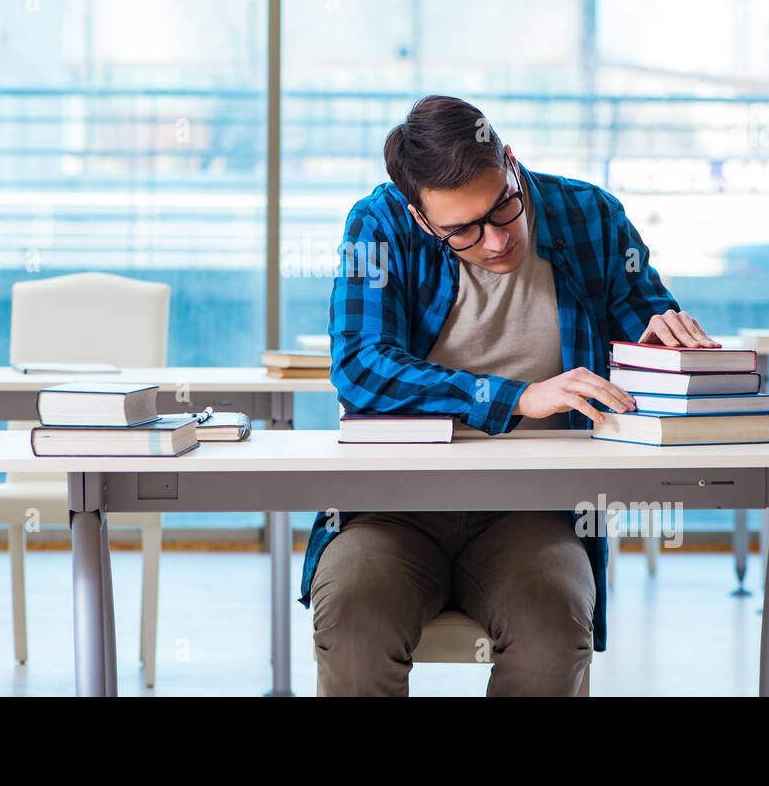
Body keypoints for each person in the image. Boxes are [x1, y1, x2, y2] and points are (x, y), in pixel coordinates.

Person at [299, 94, 720, 696]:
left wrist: (673, 355)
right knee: (355, 619)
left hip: (536, 510)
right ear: (421, 219)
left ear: (512, 164)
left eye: (503, 209)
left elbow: (645, 334)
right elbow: (361, 367)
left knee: (553, 626)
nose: (494, 241)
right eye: (462, 231)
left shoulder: (590, 216)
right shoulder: (380, 223)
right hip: (392, 506)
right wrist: (518, 399)